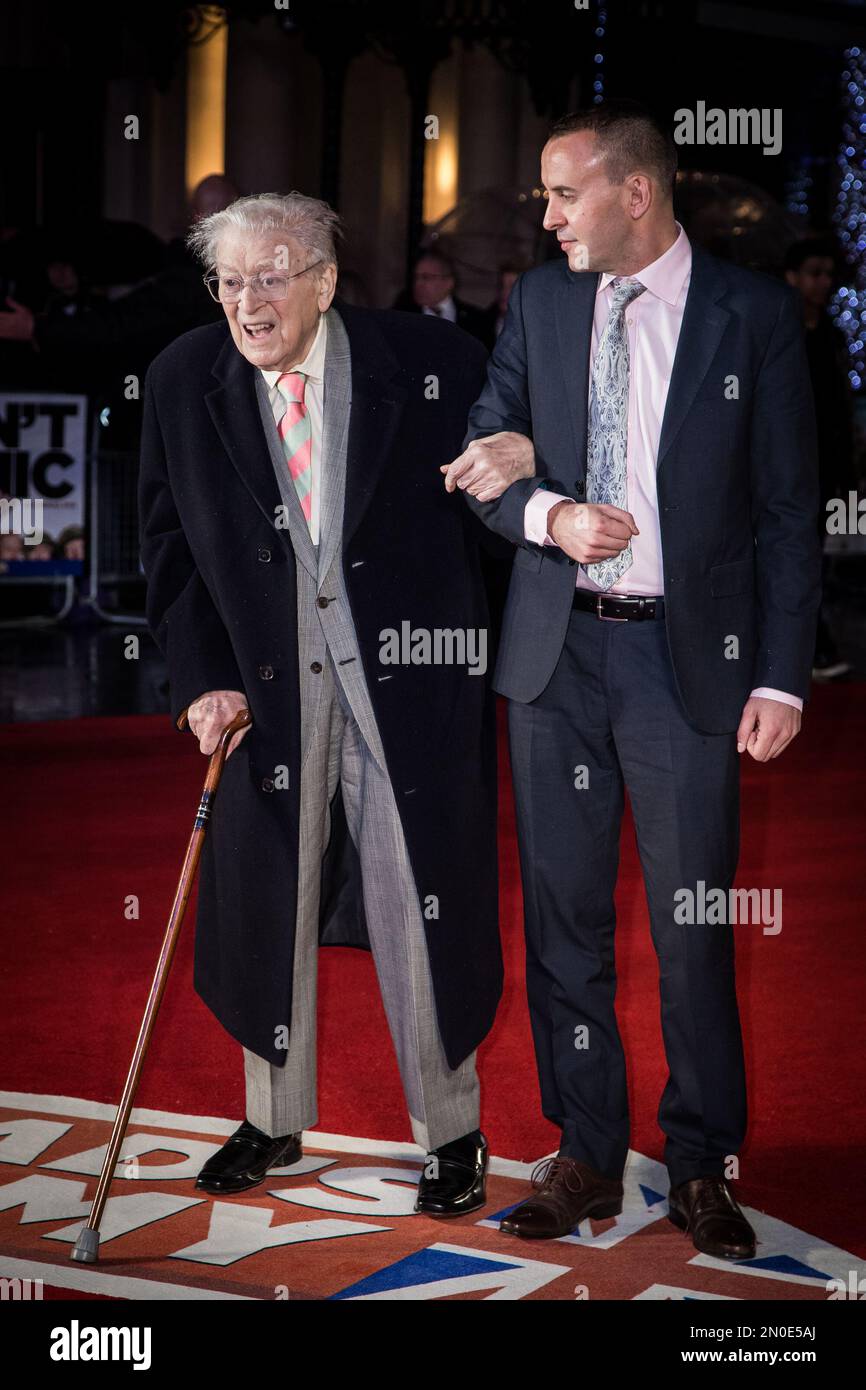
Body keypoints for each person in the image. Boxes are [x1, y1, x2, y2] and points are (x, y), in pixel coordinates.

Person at [443, 100, 821, 1258]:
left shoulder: (751, 315)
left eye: (563, 194)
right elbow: (484, 444)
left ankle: (701, 1162)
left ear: (635, 191)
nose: (546, 218)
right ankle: (586, 1154)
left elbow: (785, 512)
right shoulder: (541, 301)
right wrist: (550, 514)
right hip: (555, 657)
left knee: (690, 922)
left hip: (683, 664)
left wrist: (781, 678)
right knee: (563, 925)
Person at [138, 192, 500, 1214]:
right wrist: (200, 676)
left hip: (409, 675)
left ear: (325, 282)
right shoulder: (181, 378)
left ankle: (450, 1130)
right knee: (267, 893)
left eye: (268, 276)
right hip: (264, 675)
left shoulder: (429, 366)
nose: (246, 302)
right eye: (228, 280)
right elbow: (166, 549)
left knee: (416, 895)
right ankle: (270, 1113)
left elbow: (495, 523)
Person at [784, 237, 857, 680]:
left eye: (827, 274)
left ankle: (814, 643)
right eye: (814, 273)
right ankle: (811, 645)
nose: (823, 283)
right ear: (793, 276)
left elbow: (838, 405)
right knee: (794, 554)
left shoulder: (829, 332)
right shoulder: (780, 327)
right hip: (787, 467)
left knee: (819, 555)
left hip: (827, 465)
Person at [394, 248, 492, 348]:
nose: (418, 284)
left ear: (448, 282)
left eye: (426, 277)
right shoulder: (402, 315)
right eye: (416, 277)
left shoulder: (476, 319)